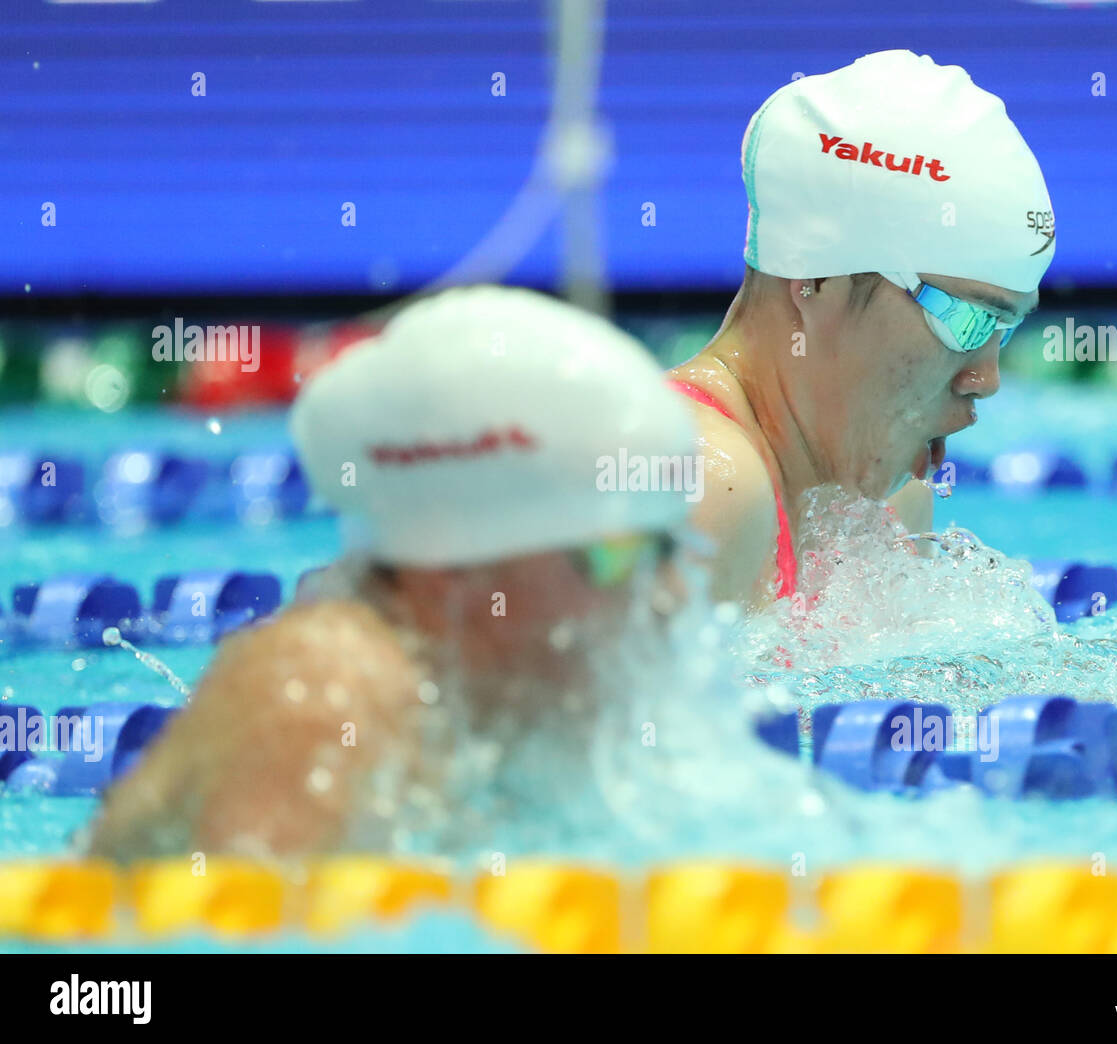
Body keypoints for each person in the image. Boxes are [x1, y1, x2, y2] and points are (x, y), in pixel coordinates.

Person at [88, 286, 702, 860]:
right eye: (617, 554)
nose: (669, 595)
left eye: (668, 552)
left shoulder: (477, 697)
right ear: (456, 570)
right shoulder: (323, 699)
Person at [669, 50, 1055, 606]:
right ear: (819, 280)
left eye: (1006, 327)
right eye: (966, 319)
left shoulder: (894, 507)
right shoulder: (703, 485)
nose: (986, 378)